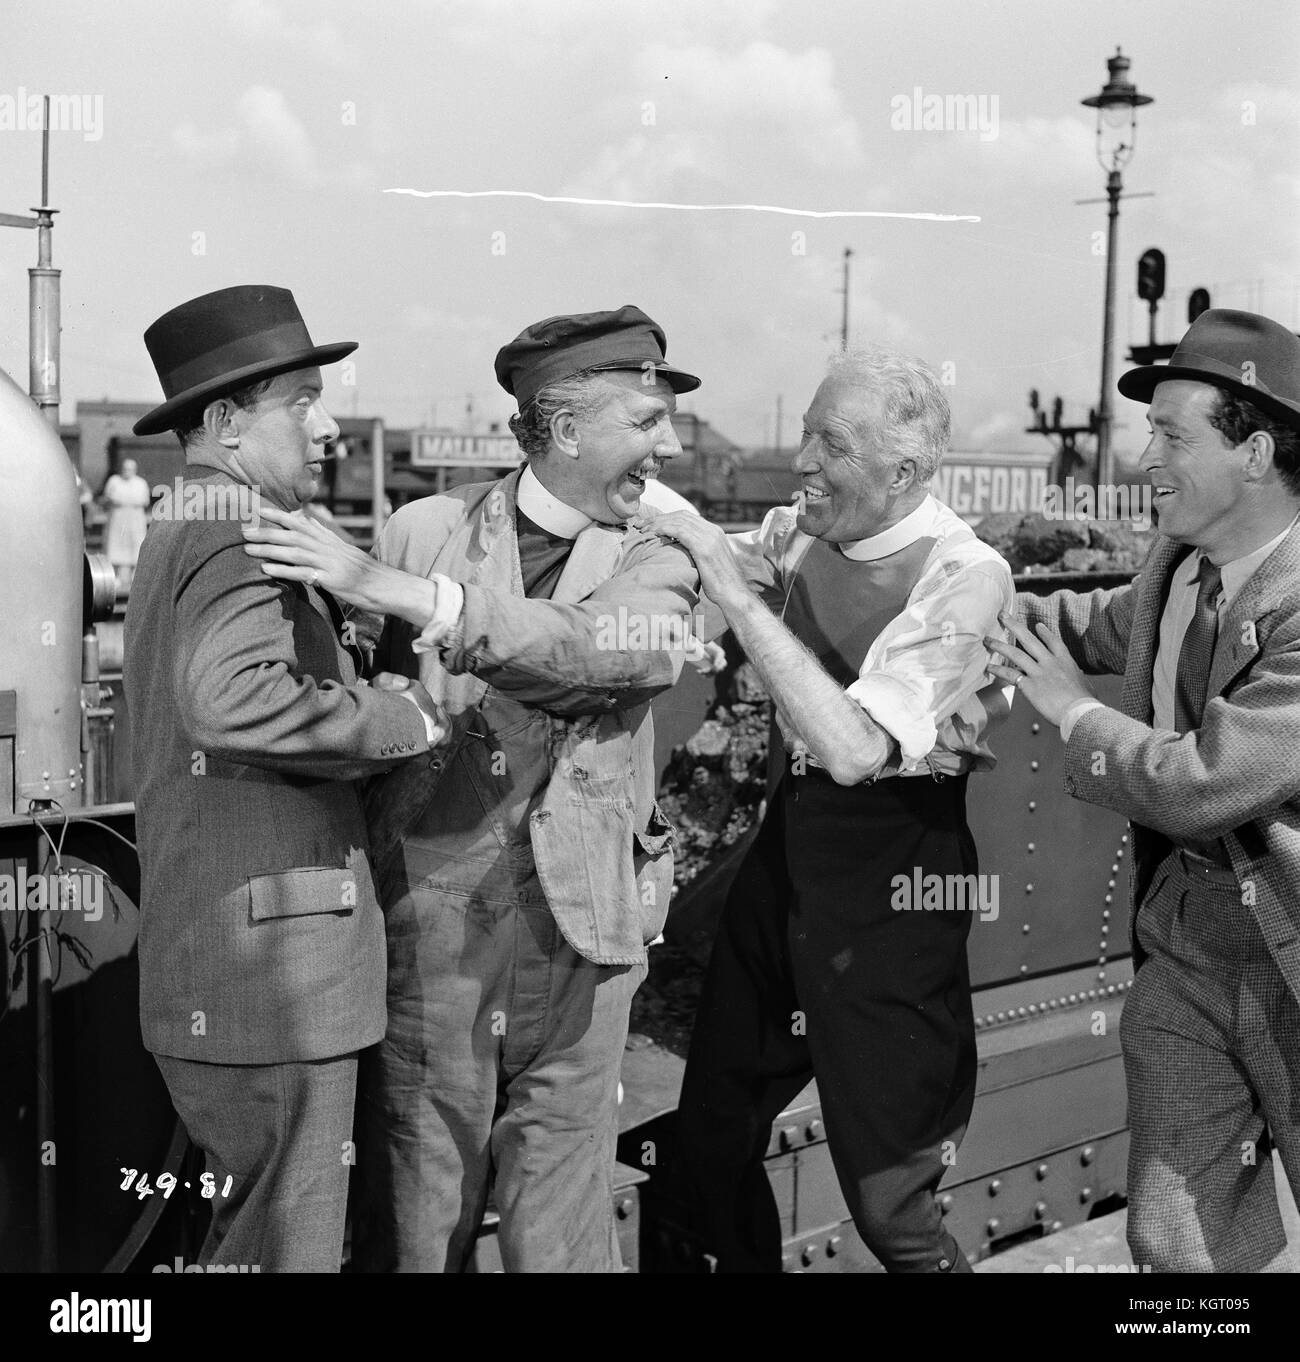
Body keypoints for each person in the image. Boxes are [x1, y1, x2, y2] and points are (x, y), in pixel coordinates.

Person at [242, 305, 703, 1271]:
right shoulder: (427, 530)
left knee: (565, 1229)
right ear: (567, 430)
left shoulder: (660, 552)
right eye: (646, 421)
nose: (667, 447)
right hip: (435, 929)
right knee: (418, 1206)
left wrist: (415, 599)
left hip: (588, 935)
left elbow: (602, 658)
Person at [642, 346, 1014, 1273]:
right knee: (711, 1137)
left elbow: (855, 750)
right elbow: (704, 550)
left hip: (896, 878)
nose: (802, 461)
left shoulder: (964, 573)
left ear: (904, 472)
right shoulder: (798, 527)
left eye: (830, 444)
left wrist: (735, 594)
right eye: (806, 432)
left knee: (893, 1207)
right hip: (786, 851)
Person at [124, 285, 445, 1272]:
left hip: (240, 966)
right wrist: (404, 718)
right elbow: (230, 702)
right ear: (224, 422)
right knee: (285, 1252)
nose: (328, 422)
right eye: (302, 401)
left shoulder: (190, 517)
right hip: (274, 978)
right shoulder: (231, 524)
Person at [987, 309, 1300, 1273]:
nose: (1142, 460)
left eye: (1172, 435)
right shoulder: (1175, 570)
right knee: (1173, 1239)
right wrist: (934, 582)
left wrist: (1073, 713)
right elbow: (1076, 621)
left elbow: (1205, 781)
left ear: (1253, 452)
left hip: (1292, 946)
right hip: (1186, 945)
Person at [102, 456, 151, 593]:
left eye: (130, 469)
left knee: (136, 545)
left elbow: (144, 500)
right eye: (125, 468)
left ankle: (135, 578)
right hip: (118, 520)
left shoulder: (141, 483)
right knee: (115, 545)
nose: (127, 471)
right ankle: (115, 577)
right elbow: (107, 498)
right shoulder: (114, 481)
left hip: (135, 521)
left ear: (134, 470)